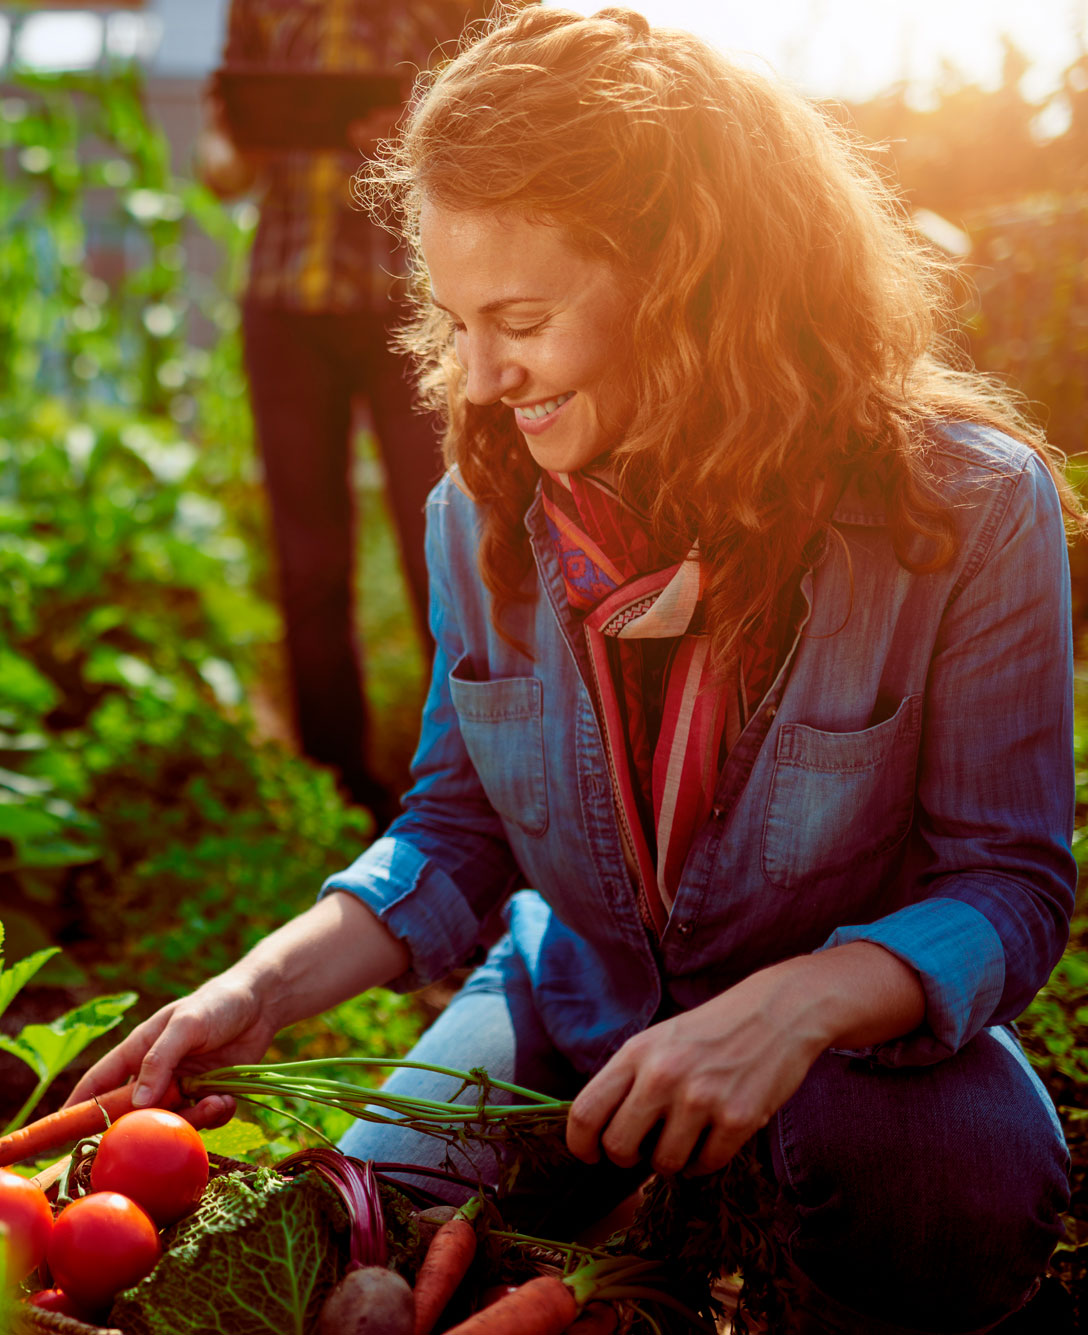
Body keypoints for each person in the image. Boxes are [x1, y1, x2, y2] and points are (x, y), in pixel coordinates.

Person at [74, 8, 1075, 1331]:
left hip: (849, 1050)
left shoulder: (961, 512)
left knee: (956, 1200)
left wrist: (798, 1004)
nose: (479, 380)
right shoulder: (477, 510)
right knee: (355, 1236)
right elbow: (455, 822)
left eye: (523, 319)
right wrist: (261, 983)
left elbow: (1006, 885)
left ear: (693, 283)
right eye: (456, 319)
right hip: (569, 1003)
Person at [199, 1, 483, 819]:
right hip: (285, 304)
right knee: (307, 560)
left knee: (441, 543)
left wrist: (414, 137)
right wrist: (246, 142)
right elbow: (221, 164)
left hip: (417, 307)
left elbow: (510, 123)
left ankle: (466, 781)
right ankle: (337, 783)